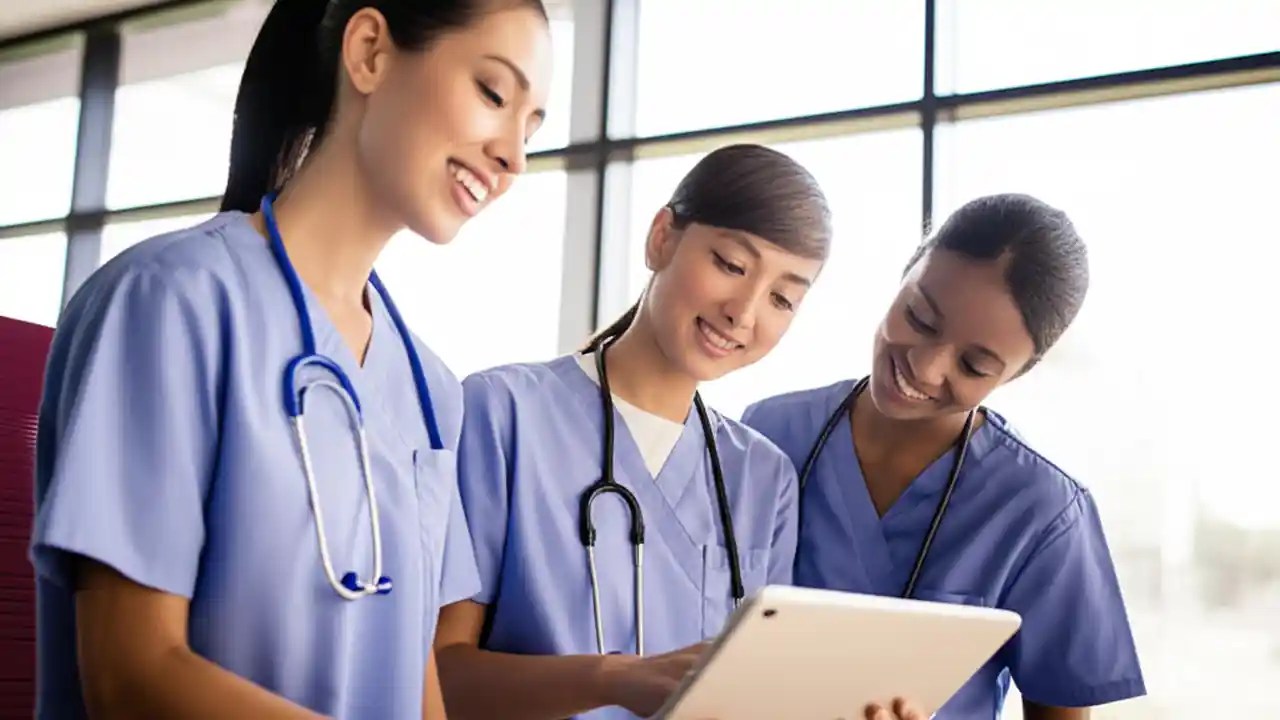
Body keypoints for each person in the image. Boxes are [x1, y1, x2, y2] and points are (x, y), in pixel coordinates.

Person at [28, 1, 552, 718]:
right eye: (494, 94)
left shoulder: (430, 390)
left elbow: (415, 673)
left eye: (531, 129)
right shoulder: (170, 301)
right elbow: (133, 674)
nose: (513, 157)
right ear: (369, 51)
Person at [432, 143, 926, 720]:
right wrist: (612, 678)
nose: (743, 312)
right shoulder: (503, 412)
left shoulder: (762, 480)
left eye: (781, 297)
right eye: (731, 265)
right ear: (661, 237)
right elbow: (439, 674)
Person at [742, 193, 1147, 719]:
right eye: (920, 317)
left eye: (975, 365)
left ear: (1018, 372)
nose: (925, 367)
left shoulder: (1041, 509)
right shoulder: (767, 432)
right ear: (906, 272)